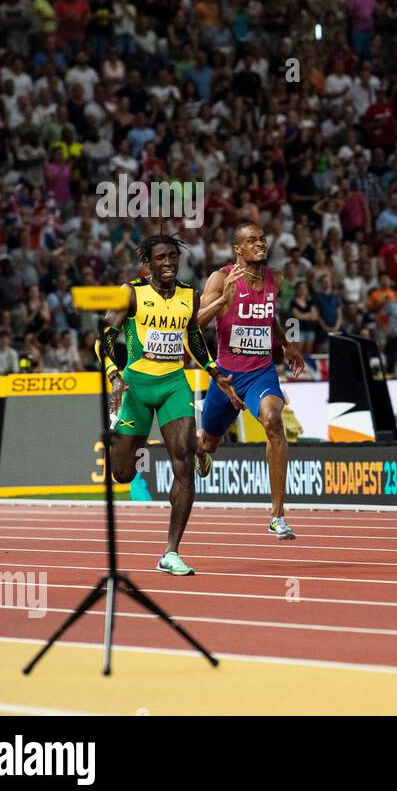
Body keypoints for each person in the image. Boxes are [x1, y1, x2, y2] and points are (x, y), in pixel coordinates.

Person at [97, 235, 245, 575]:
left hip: (173, 384)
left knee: (183, 466)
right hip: (135, 386)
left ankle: (171, 552)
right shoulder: (132, 292)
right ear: (148, 264)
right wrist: (113, 374)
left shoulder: (188, 295)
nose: (168, 263)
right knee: (121, 473)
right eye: (161, 258)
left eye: (173, 258)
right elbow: (105, 334)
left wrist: (214, 371)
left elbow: (193, 335)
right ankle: (192, 445)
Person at [195, 222, 306, 540]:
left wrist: (285, 343)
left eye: (262, 239)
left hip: (261, 372)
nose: (259, 244)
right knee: (208, 443)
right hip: (227, 377)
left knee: (273, 420)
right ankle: (200, 451)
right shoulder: (220, 277)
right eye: (251, 240)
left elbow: (268, 314)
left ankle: (277, 515)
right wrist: (222, 300)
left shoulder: (276, 279)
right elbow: (195, 324)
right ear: (237, 249)